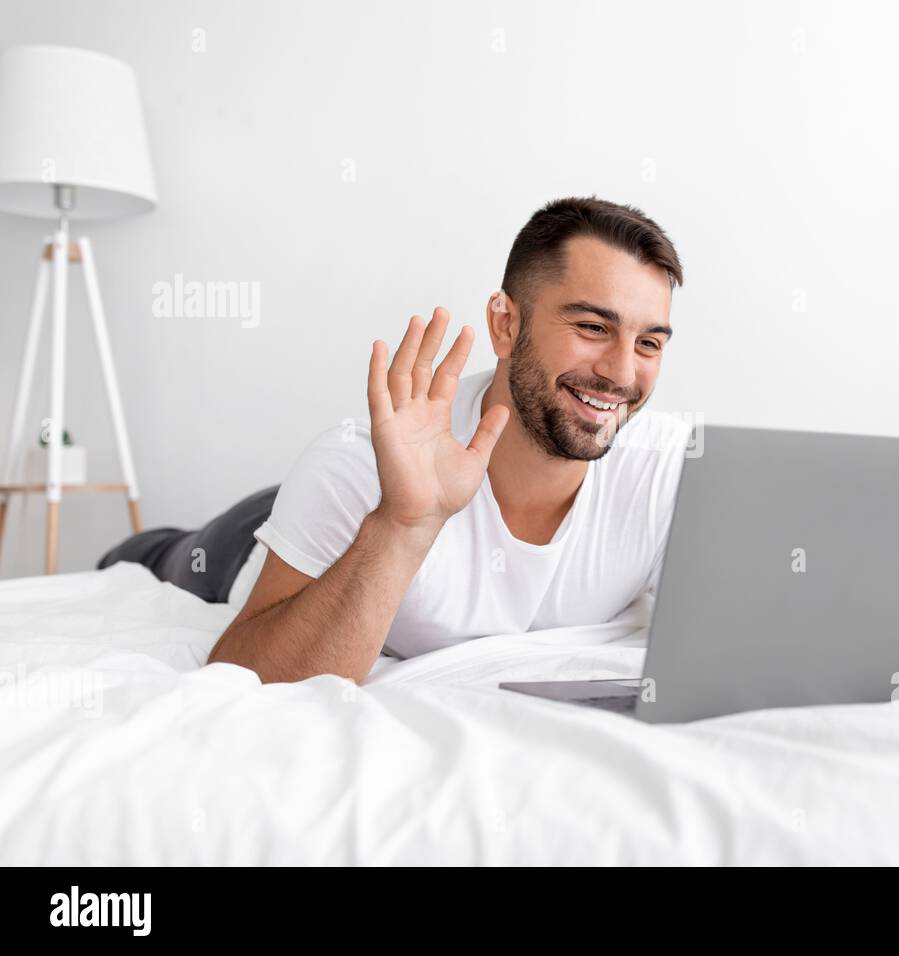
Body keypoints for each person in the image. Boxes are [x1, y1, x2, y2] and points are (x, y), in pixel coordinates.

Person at [205, 196, 690, 684]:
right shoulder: (357, 466)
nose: (621, 372)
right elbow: (245, 678)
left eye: (648, 343)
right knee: (167, 553)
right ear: (505, 325)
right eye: (592, 327)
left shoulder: (672, 471)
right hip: (245, 543)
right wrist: (401, 523)